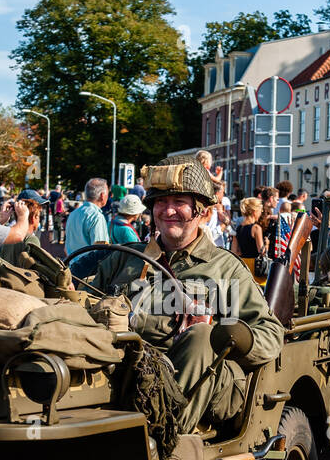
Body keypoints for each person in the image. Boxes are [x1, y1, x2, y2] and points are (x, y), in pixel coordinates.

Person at [91, 159, 283, 434]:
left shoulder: (225, 268)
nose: (169, 210)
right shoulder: (125, 259)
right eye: (161, 202)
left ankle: (163, 435)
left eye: (179, 201)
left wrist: (226, 335)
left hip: (195, 386)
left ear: (202, 211)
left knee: (202, 337)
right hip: (120, 375)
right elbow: (83, 303)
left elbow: (270, 332)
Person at [64, 177, 110, 254]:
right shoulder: (96, 216)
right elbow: (100, 250)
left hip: (72, 264)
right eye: (107, 194)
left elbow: (66, 247)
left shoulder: (73, 214)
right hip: (89, 265)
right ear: (102, 195)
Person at [232, 196, 265, 276]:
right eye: (260, 210)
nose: (262, 212)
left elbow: (234, 251)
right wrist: (267, 244)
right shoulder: (256, 228)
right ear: (254, 211)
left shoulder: (239, 228)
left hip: (242, 265)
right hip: (255, 266)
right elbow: (261, 251)